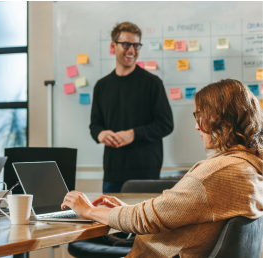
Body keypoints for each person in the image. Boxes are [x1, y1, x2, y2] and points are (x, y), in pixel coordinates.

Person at [64, 79, 263, 257]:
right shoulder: (248, 166)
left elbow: (145, 220)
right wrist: (125, 210)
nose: (196, 126)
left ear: (220, 118)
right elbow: (165, 215)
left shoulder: (216, 173)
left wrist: (88, 211)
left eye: (200, 115)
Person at [89, 22, 174, 193]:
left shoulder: (152, 83)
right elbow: (95, 125)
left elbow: (166, 124)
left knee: (144, 221)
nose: (132, 51)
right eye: (126, 44)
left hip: (145, 174)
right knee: (109, 219)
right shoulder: (102, 86)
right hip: (112, 173)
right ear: (113, 46)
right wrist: (100, 134)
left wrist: (134, 134)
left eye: (136, 45)